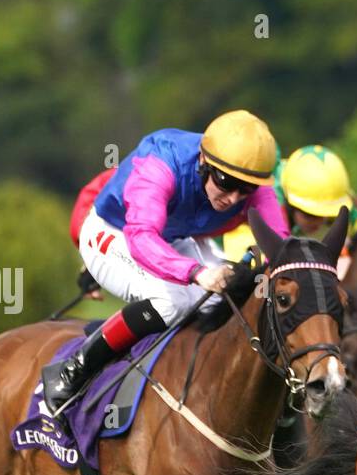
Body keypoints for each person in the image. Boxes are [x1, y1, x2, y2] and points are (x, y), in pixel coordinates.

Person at [41, 110, 289, 413]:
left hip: (172, 237)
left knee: (230, 302)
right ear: (203, 162)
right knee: (170, 303)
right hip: (113, 232)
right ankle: (73, 370)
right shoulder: (161, 163)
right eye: (226, 182)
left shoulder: (245, 180)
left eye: (247, 189)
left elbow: (279, 242)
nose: (235, 198)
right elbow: (142, 237)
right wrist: (197, 273)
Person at [221, 144, 357, 278]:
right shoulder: (271, 202)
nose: (319, 223)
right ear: (290, 204)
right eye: (310, 214)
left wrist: (347, 251)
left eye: (326, 215)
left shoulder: (334, 190)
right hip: (223, 242)